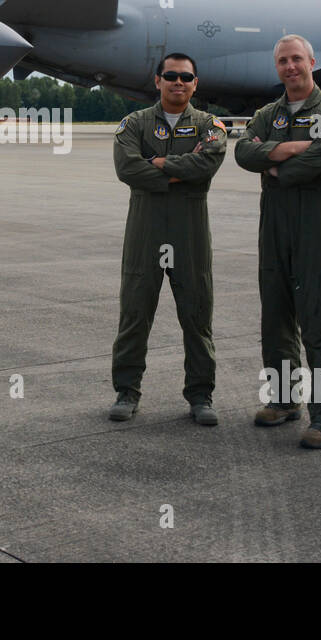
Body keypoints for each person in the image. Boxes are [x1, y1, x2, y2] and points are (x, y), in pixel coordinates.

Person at [234, 35, 321, 448]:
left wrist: (278, 167)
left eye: (297, 59)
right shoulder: (268, 113)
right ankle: (284, 400)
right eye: (283, 61)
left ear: (312, 62)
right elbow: (244, 154)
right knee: (277, 313)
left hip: (317, 224)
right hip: (275, 225)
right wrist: (291, 147)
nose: (290, 67)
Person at [109, 53, 228, 425]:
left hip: (189, 232)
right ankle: (127, 391)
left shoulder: (210, 125)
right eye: (171, 75)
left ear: (196, 83)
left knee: (196, 314)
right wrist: (181, 172)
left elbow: (207, 164)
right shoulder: (134, 123)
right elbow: (128, 168)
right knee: (135, 311)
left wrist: (159, 163)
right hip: (146, 230)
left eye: (186, 77)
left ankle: (200, 395)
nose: (178, 82)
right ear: (157, 80)